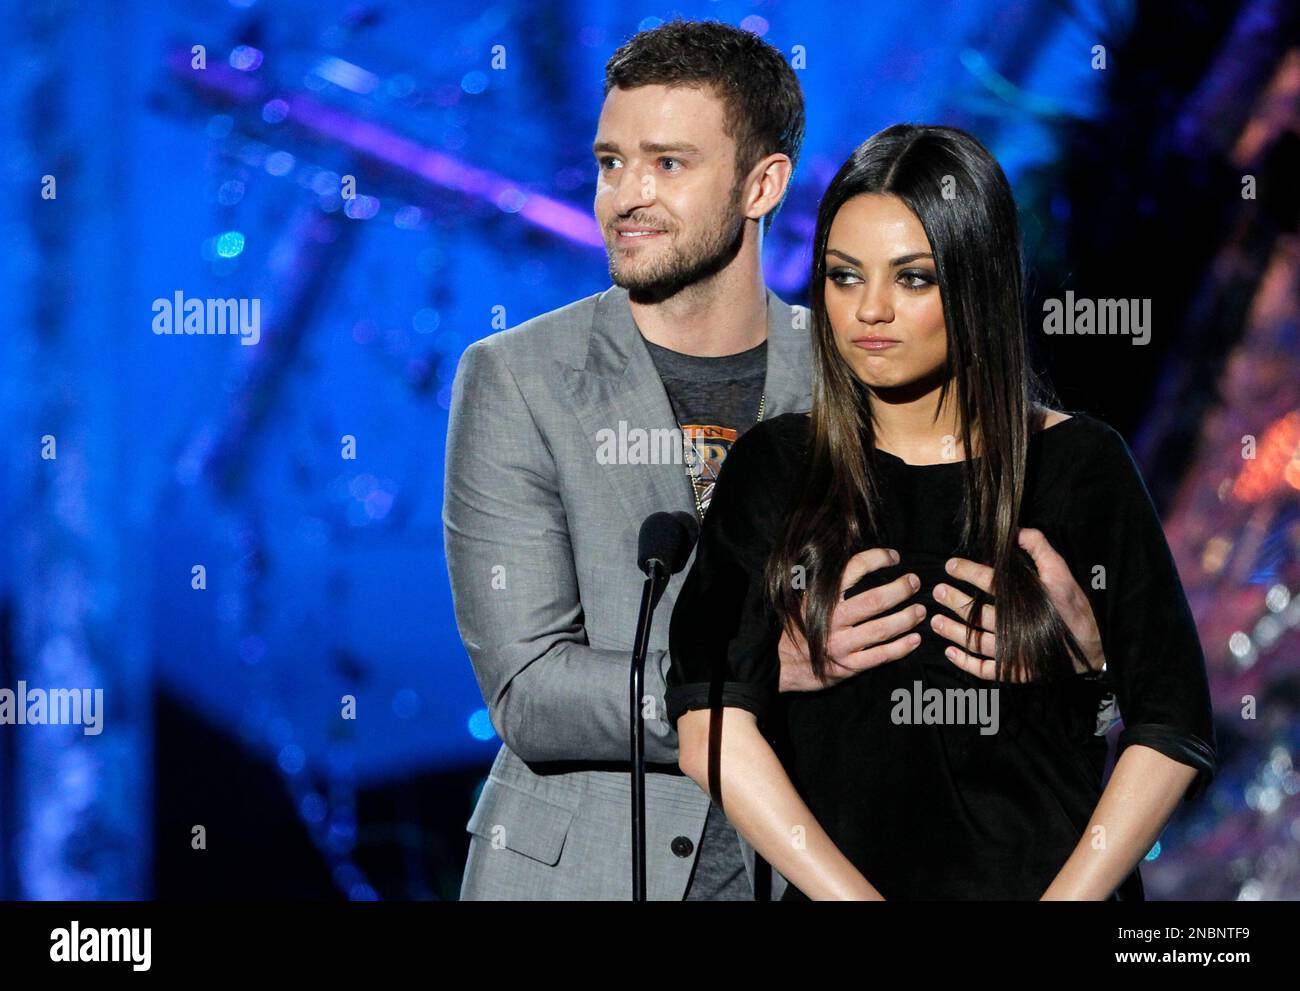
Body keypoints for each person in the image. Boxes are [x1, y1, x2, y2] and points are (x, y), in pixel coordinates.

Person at [666, 124, 1217, 901]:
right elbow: (710, 726)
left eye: (914, 278)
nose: (872, 310)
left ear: (977, 280)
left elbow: (1172, 725)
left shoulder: (1078, 465)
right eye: (844, 276)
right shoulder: (776, 468)